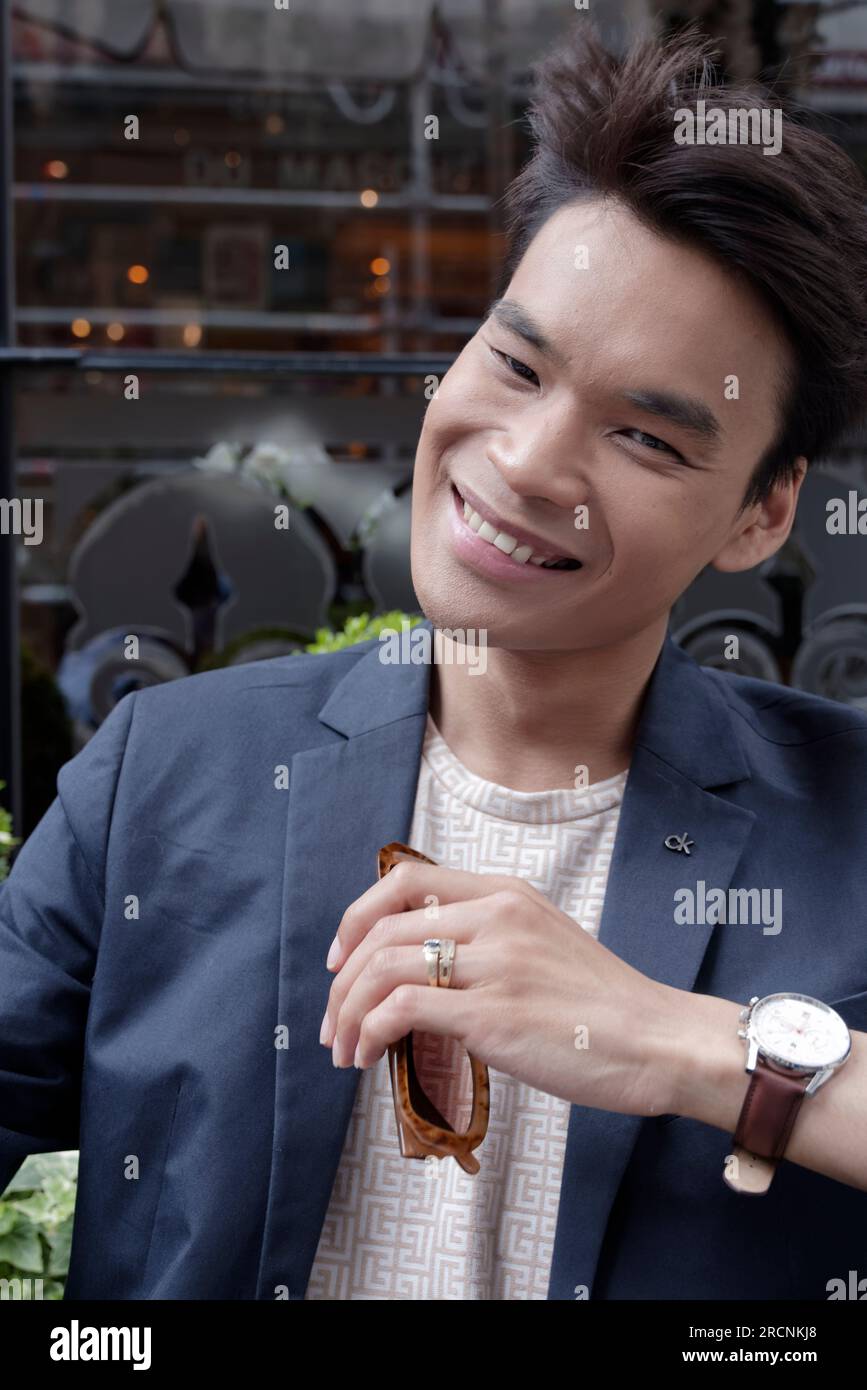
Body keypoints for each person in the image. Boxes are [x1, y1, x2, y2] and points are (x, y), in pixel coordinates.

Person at [2, 22, 867, 1302]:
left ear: (764, 512)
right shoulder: (166, 774)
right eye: (515, 364)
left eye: (646, 436)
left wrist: (691, 1047)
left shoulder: (846, 824)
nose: (524, 462)